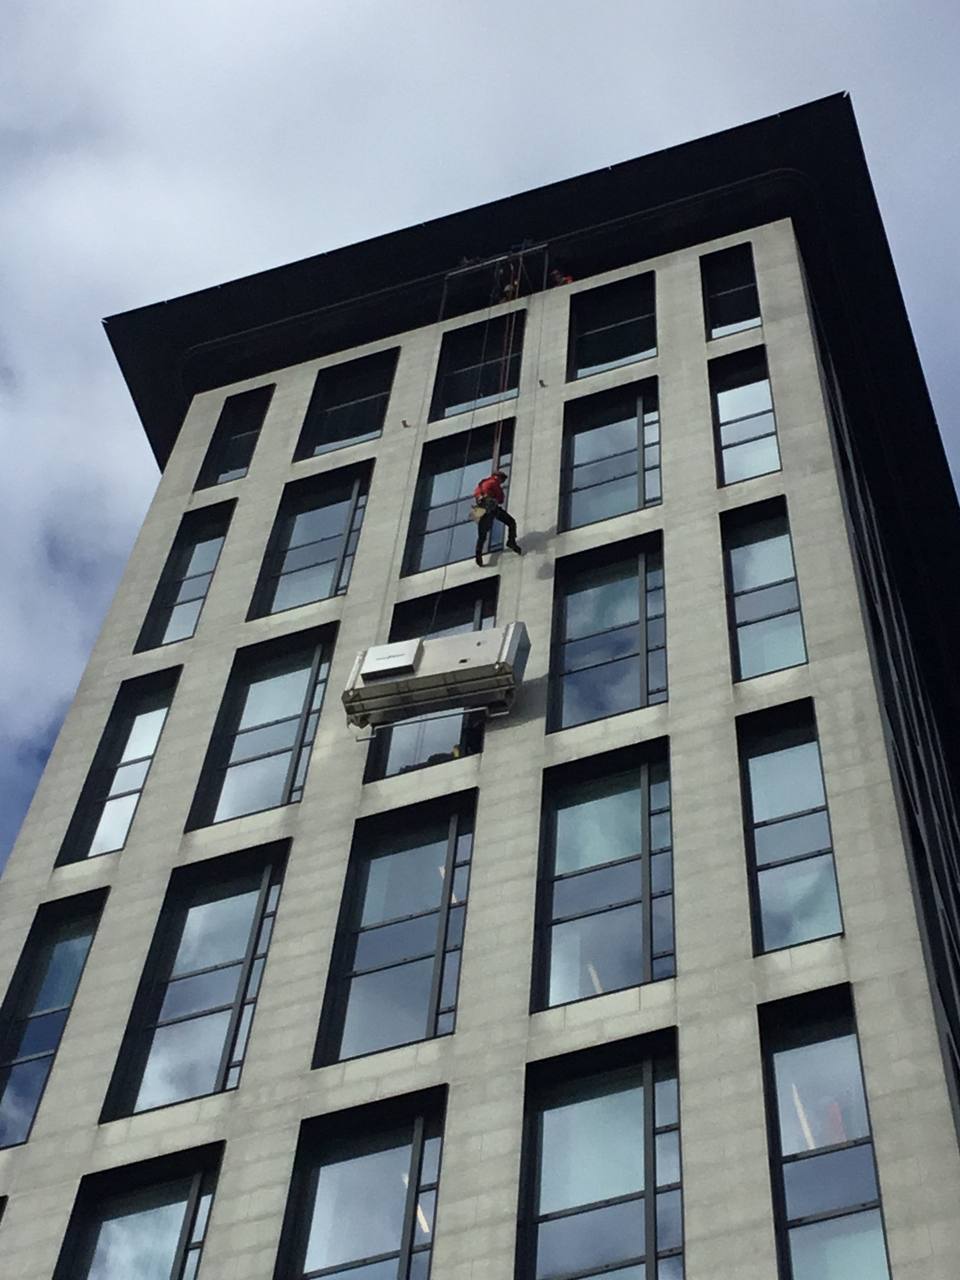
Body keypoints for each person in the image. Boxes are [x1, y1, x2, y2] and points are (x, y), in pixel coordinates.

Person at [473, 469, 521, 566]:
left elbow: (475, 494)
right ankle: (511, 541)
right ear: (497, 477)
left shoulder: (481, 483)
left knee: (482, 535)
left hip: (479, 509)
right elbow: (501, 498)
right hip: (491, 507)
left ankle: (478, 553)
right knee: (511, 522)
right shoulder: (494, 482)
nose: (501, 482)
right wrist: (496, 497)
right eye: (502, 480)